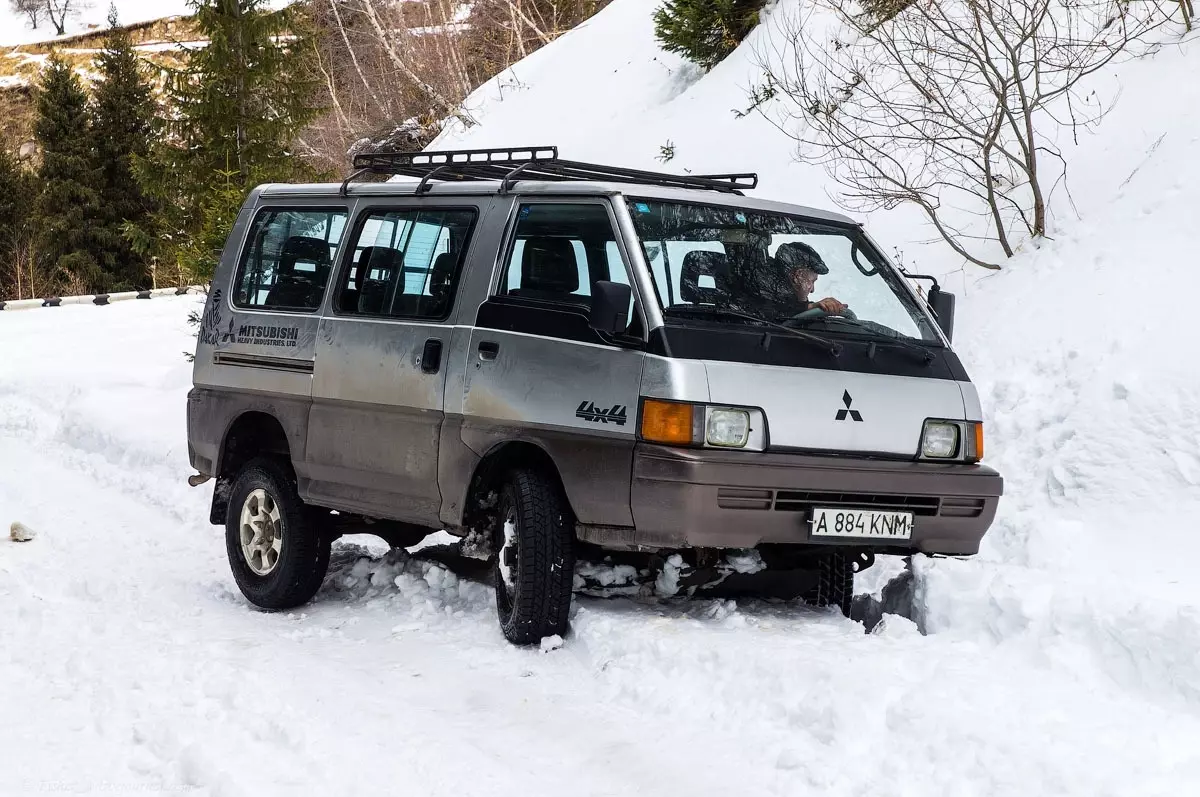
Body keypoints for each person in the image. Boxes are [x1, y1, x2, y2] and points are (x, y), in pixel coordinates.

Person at [773, 241, 848, 316]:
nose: (812, 290)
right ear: (797, 276)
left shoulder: (779, 298)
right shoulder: (768, 299)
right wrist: (809, 307)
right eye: (812, 281)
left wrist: (810, 307)